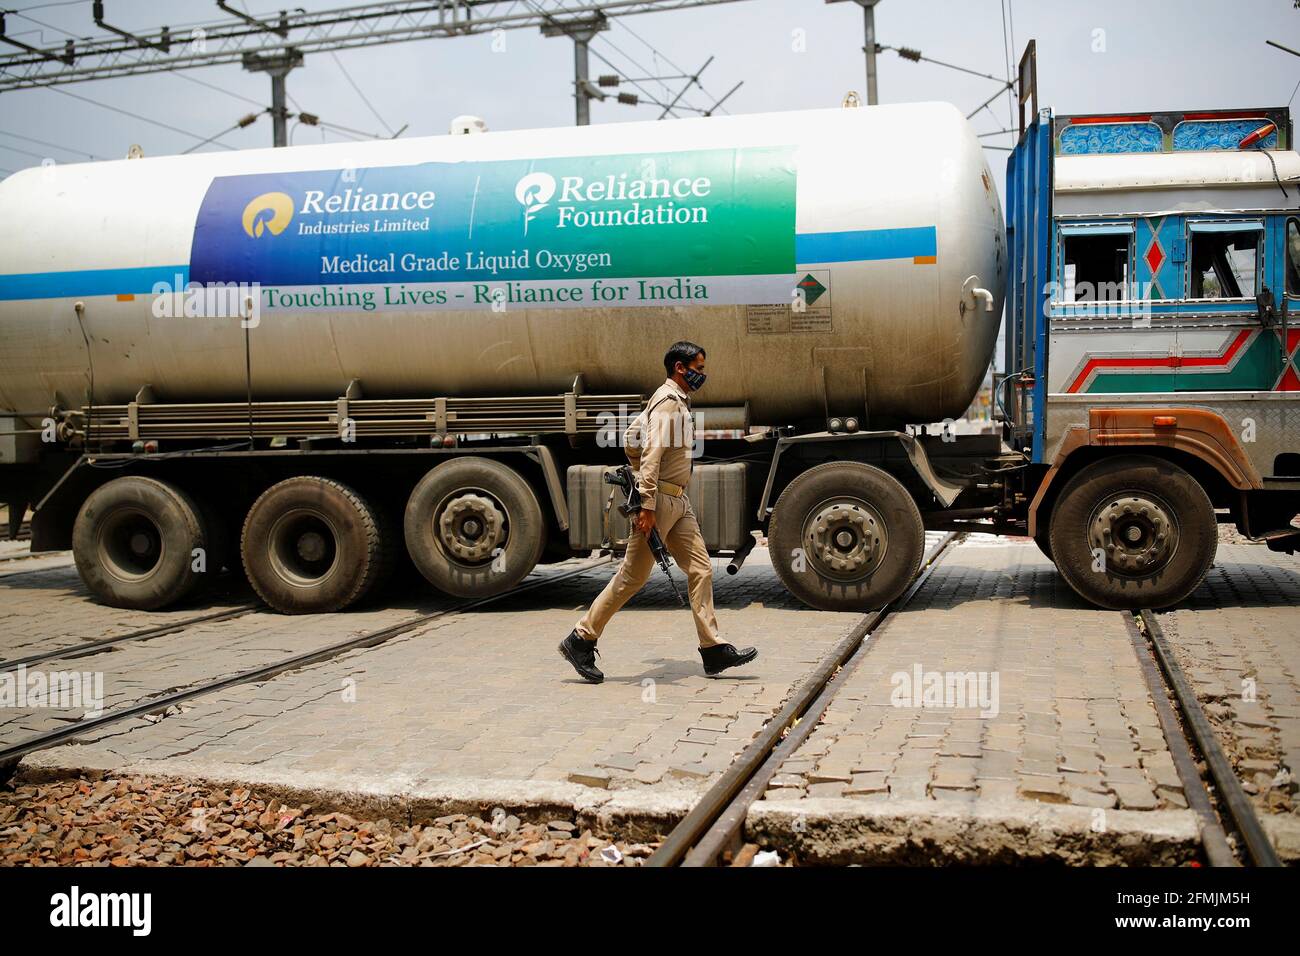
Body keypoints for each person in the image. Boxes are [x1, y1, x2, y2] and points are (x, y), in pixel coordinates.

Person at [558, 341, 758, 684]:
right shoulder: (667, 402)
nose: (702, 374)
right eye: (698, 368)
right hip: (660, 502)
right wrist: (647, 503)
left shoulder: (674, 400)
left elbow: (631, 438)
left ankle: (712, 648)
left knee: (700, 569)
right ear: (680, 368)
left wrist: (643, 474)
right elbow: (650, 452)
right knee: (632, 578)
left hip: (678, 501)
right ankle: (580, 638)